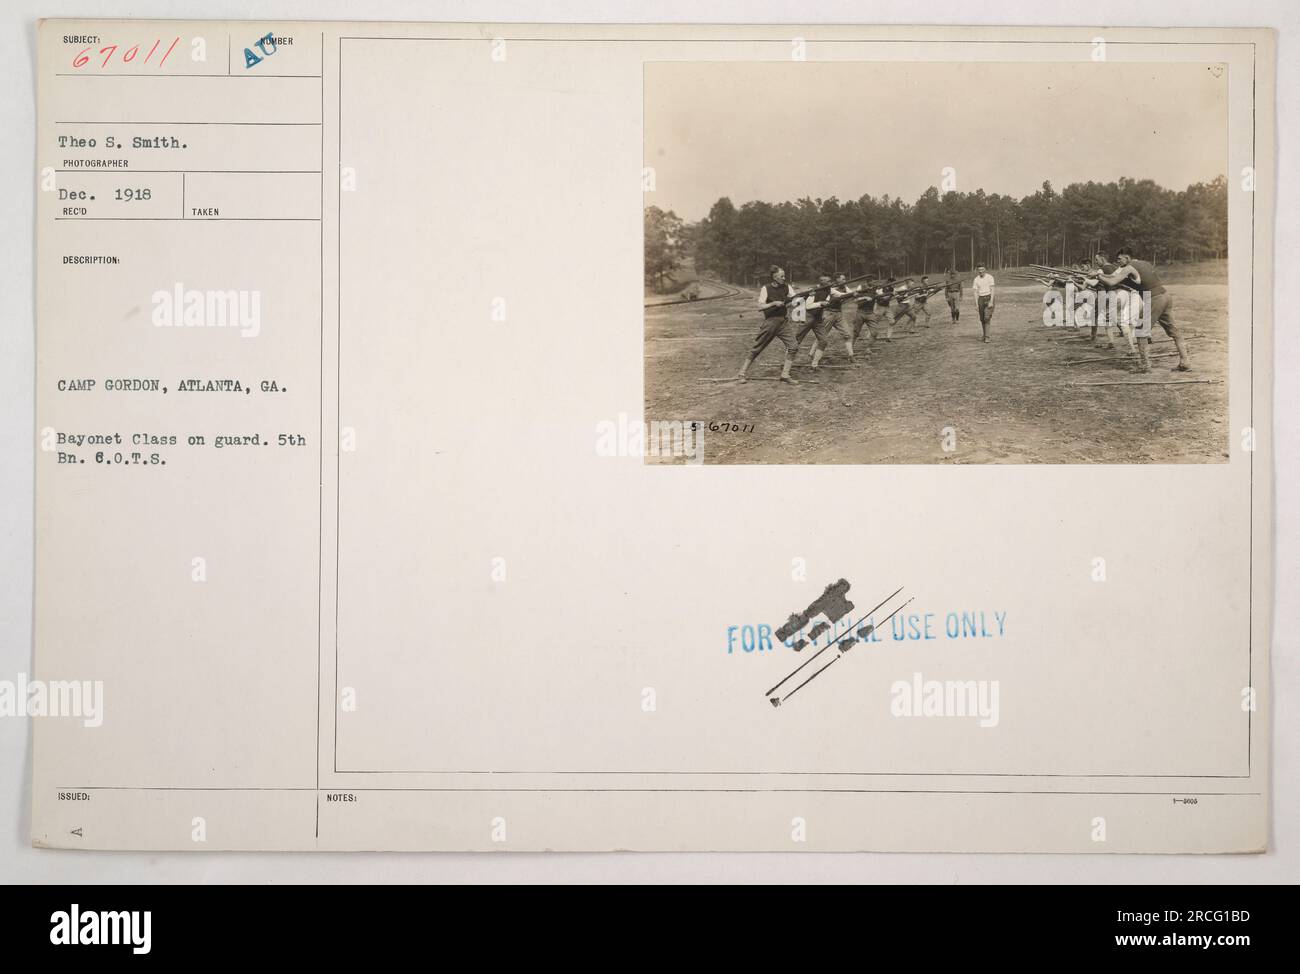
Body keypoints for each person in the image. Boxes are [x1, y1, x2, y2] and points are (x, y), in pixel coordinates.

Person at [1095, 250, 1191, 372]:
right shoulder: (1145, 263)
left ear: (1127, 257)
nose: (1118, 262)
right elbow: (1115, 277)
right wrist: (1100, 275)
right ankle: (1185, 361)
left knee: (1140, 331)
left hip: (1154, 299)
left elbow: (1112, 282)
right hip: (1165, 296)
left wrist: (1099, 276)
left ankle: (1145, 366)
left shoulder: (1129, 267)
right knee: (1174, 331)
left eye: (1120, 259)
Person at [738, 265, 800, 384]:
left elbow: (795, 299)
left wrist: (798, 301)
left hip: (783, 322)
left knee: (793, 346)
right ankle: (741, 373)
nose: (784, 278)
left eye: (784, 276)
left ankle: (785, 374)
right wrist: (773, 303)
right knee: (757, 348)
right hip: (770, 322)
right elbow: (760, 306)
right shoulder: (766, 288)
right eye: (782, 276)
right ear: (774, 277)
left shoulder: (787, 287)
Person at [794, 273, 835, 369]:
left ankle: (815, 364)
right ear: (822, 282)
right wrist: (821, 303)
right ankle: (786, 362)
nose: (830, 283)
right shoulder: (813, 290)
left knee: (823, 341)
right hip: (808, 317)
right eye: (828, 281)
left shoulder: (828, 289)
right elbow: (808, 306)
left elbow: (835, 296)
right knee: (797, 340)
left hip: (818, 319)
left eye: (830, 281)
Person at [972, 264, 996, 341]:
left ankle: (987, 337)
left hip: (989, 298)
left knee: (987, 317)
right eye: (979, 270)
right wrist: (976, 304)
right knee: (982, 319)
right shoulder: (976, 279)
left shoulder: (990, 277)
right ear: (977, 270)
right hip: (981, 299)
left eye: (982, 269)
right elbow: (975, 292)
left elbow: (992, 289)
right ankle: (985, 335)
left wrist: (991, 301)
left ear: (985, 269)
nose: (981, 271)